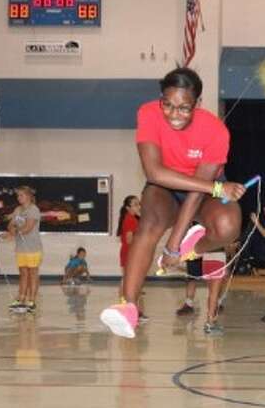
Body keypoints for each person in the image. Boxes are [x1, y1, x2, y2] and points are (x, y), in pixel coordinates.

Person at [100, 67, 246, 338]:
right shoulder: (148, 114)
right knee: (149, 224)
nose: (174, 114)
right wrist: (216, 186)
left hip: (200, 194)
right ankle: (128, 307)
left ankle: (194, 245)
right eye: (167, 105)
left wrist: (175, 246)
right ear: (160, 99)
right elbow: (154, 172)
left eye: (184, 108)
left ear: (198, 105)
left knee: (228, 227)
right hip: (165, 187)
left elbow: (196, 195)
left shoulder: (215, 131)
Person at [6, 186, 42, 313]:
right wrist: (11, 230)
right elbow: (11, 224)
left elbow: (28, 228)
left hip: (33, 248)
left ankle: (31, 300)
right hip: (20, 248)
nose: (19, 198)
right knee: (23, 273)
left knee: (33, 274)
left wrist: (13, 233)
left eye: (21, 195)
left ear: (28, 196)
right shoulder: (17, 210)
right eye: (17, 196)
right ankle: (21, 298)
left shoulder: (34, 210)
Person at [116, 195, 140, 273]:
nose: (139, 207)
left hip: (129, 251)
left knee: (127, 280)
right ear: (128, 208)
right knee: (128, 280)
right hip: (129, 252)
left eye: (139, 204)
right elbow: (129, 240)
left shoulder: (132, 218)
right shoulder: (130, 219)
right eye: (135, 204)